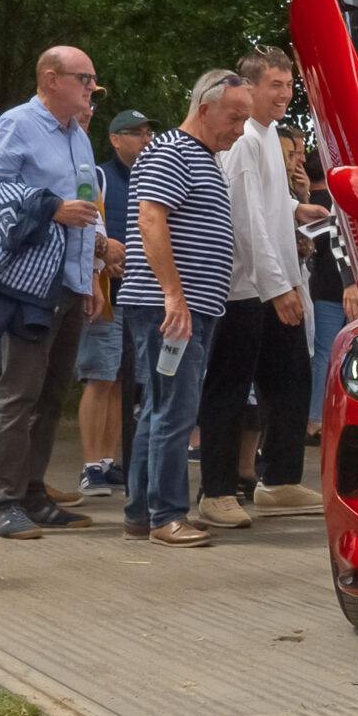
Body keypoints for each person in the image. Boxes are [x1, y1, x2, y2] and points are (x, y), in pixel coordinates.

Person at [0, 46, 114, 537]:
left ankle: (33, 494)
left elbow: (87, 208)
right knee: (19, 392)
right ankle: (1, 501)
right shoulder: (18, 124)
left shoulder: (80, 138)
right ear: (51, 79)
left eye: (93, 79)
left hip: (69, 282)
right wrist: (50, 207)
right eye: (84, 78)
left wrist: (93, 271)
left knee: (51, 395)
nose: (93, 86)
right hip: (28, 283)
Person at [118, 69, 253, 547]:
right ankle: (166, 515)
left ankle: (142, 512)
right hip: (172, 308)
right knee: (175, 411)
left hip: (183, 306)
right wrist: (175, 296)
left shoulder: (198, 156)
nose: (239, 130)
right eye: (234, 118)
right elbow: (151, 218)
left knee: (160, 408)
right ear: (204, 109)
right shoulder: (174, 151)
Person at [197, 47, 330, 529]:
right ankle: (215, 489)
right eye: (275, 84)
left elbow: (266, 206)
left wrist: (297, 212)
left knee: (291, 379)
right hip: (243, 288)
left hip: (277, 281)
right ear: (249, 87)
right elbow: (244, 219)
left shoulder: (270, 137)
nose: (284, 94)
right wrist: (278, 287)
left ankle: (279, 480)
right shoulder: (245, 140)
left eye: (289, 85)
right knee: (229, 389)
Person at [74, 108, 154, 497]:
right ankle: (91, 465)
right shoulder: (100, 176)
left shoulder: (152, 179)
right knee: (100, 375)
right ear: (115, 139)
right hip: (106, 292)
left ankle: (109, 461)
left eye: (148, 132)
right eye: (135, 133)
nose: (145, 139)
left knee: (125, 380)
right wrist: (102, 261)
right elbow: (89, 225)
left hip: (140, 296)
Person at [304, 150, 358, 439]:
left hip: (325, 288)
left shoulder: (307, 205)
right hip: (345, 287)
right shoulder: (340, 203)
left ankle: (316, 417)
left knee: (324, 353)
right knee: (343, 355)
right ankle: (323, 417)